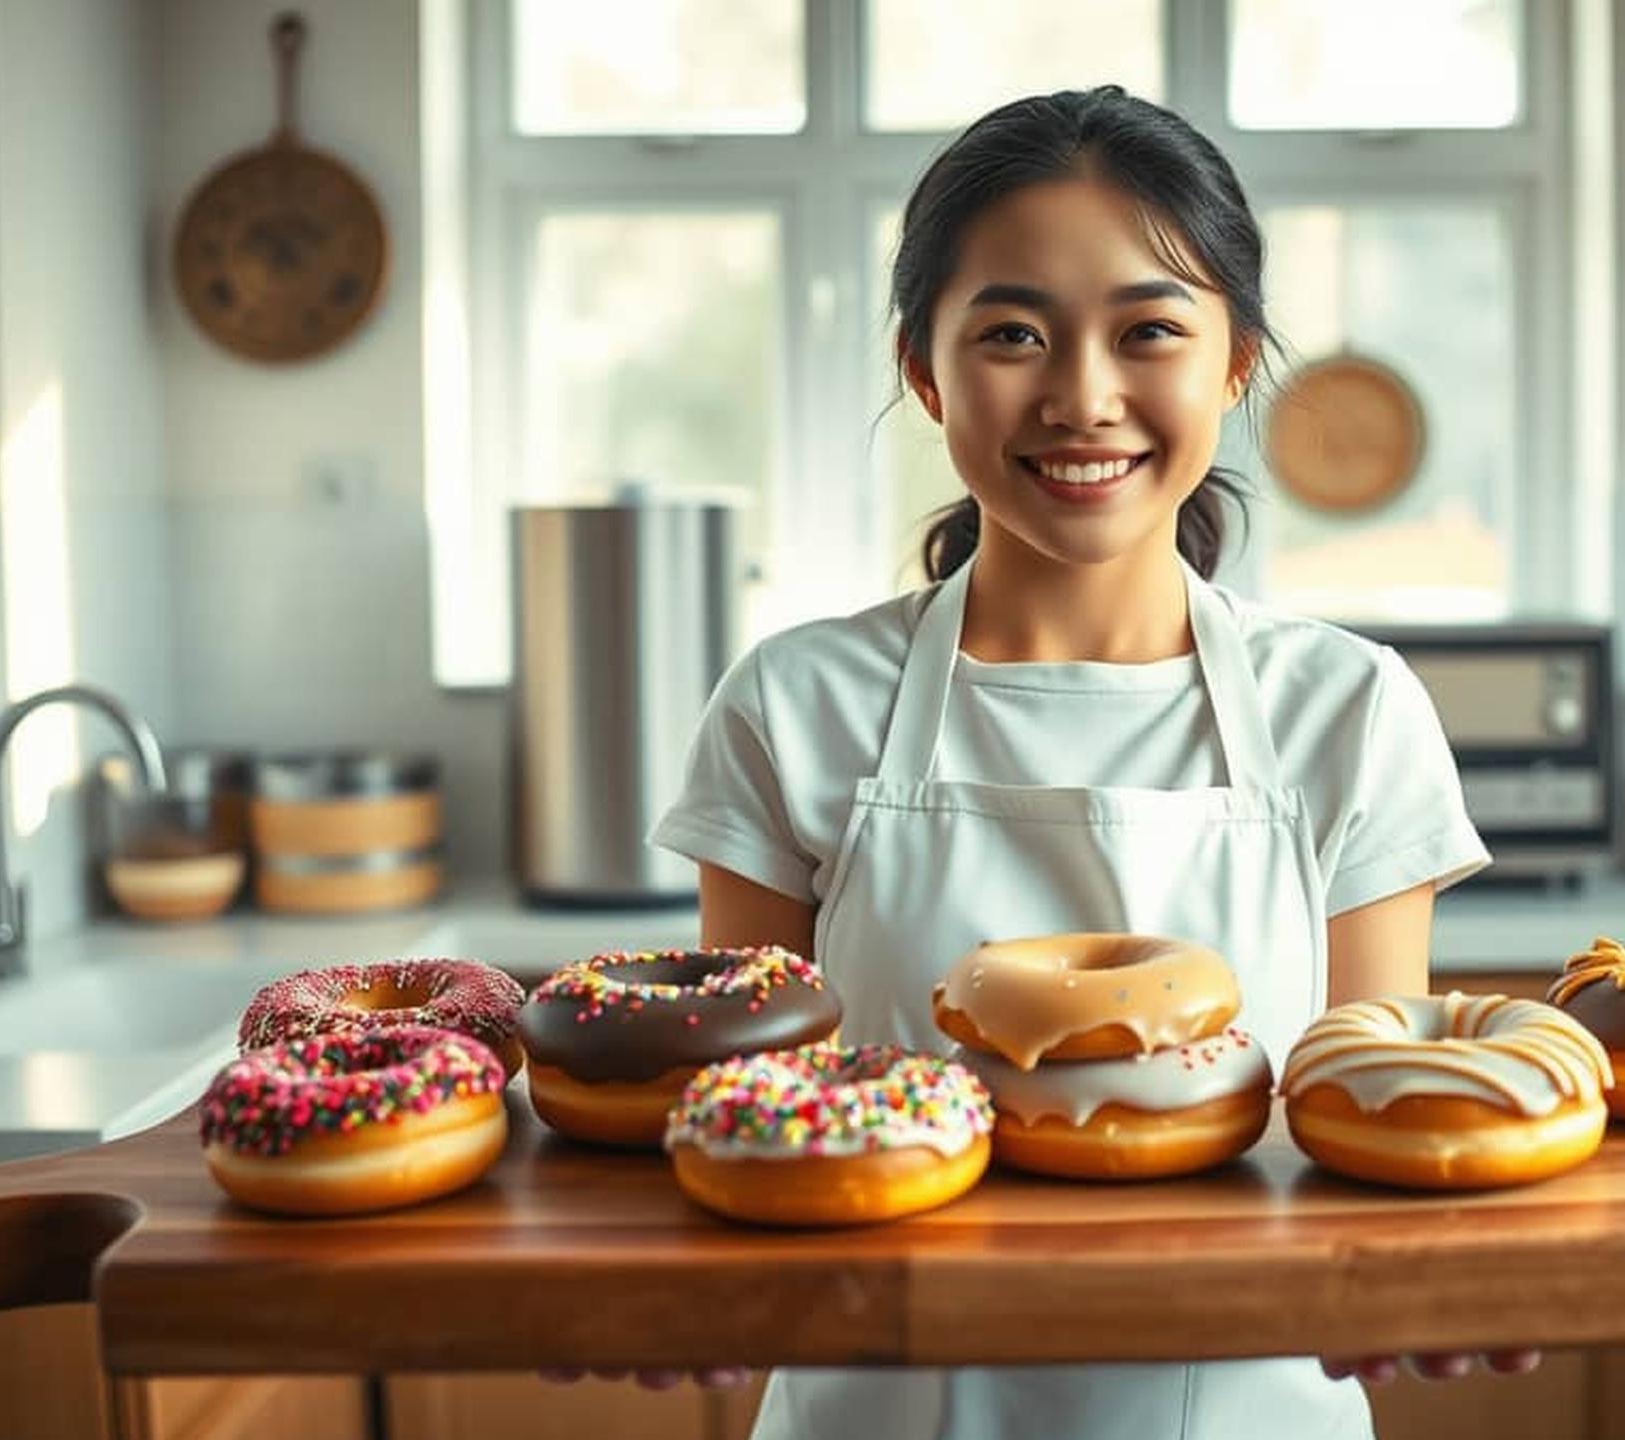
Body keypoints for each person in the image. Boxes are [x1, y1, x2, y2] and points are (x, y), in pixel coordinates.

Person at [615, 84, 1513, 1438]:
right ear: (924, 371)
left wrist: (1446, 1285)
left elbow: (1370, 1131)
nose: (1083, 399)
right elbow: (730, 1128)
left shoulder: (1352, 712)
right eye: (1014, 335)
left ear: (1234, 363)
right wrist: (621, 1289)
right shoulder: (794, 707)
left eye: (1149, 329)